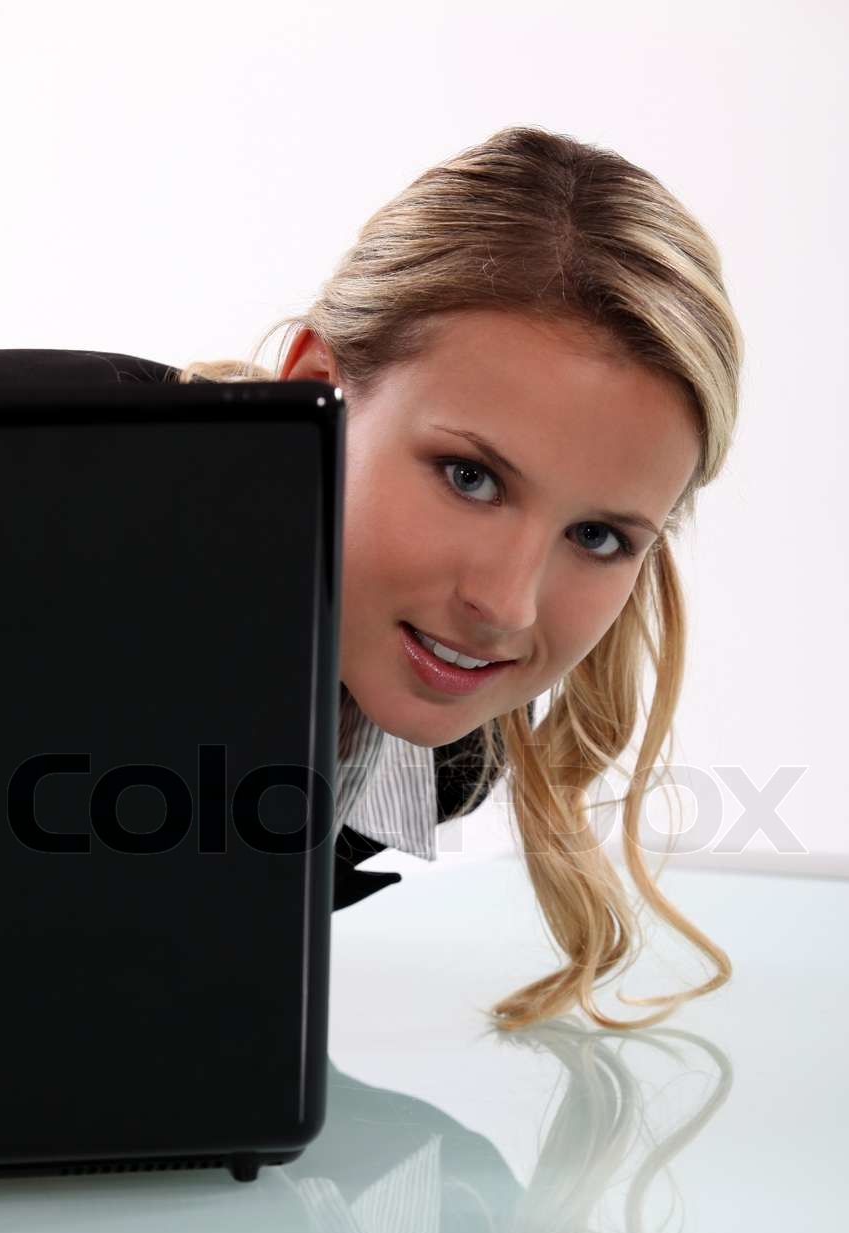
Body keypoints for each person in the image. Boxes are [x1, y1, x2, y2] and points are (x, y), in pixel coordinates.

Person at [170, 124, 746, 1036]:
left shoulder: (436, 749)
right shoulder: (23, 525)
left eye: (597, 535)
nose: (504, 607)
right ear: (312, 388)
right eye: (469, 477)